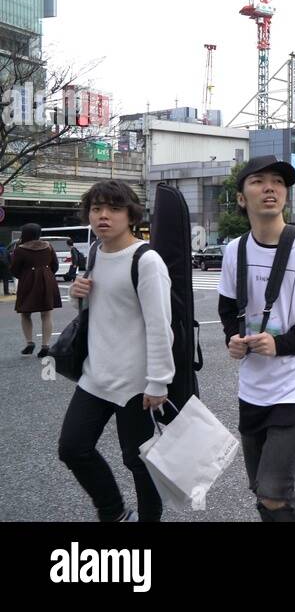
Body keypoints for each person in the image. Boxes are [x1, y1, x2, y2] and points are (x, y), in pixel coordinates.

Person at [218, 156, 295, 522]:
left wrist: (281, 343)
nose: (270, 188)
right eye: (258, 181)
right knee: (263, 490)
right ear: (242, 197)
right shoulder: (234, 250)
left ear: (286, 194)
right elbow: (228, 309)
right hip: (253, 384)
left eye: (278, 181)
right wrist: (233, 338)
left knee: (274, 490)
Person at [59, 180, 175, 522]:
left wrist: (158, 382)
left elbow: (159, 326)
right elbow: (97, 306)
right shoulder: (95, 252)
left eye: (113, 208)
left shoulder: (146, 260)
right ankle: (113, 512)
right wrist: (77, 294)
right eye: (96, 209)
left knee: (137, 460)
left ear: (130, 214)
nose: (103, 216)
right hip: (96, 375)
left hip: (136, 383)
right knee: (73, 448)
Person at [10, 223, 61, 357]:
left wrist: (25, 276)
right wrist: (47, 274)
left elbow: (14, 269)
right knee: (46, 314)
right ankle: (45, 345)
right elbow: (55, 265)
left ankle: (30, 342)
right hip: (47, 279)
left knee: (25, 313)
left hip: (27, 280)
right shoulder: (48, 246)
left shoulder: (20, 249)